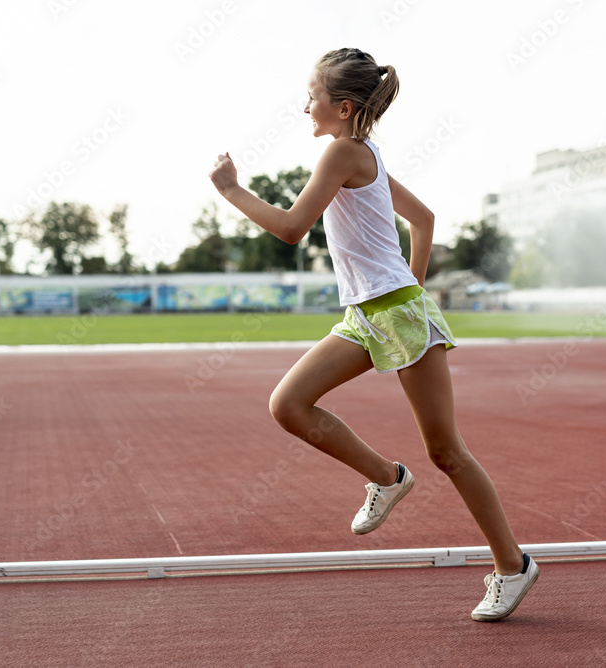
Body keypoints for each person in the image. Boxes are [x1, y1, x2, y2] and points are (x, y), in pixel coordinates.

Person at [209, 47, 538, 621]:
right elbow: (425, 219)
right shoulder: (365, 155)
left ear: (341, 106)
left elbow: (290, 229)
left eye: (311, 96)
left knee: (448, 453)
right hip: (366, 315)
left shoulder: (343, 153)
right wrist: (404, 288)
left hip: (396, 314)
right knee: (288, 404)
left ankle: (513, 566)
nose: (304, 106)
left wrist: (231, 191)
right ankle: (387, 478)